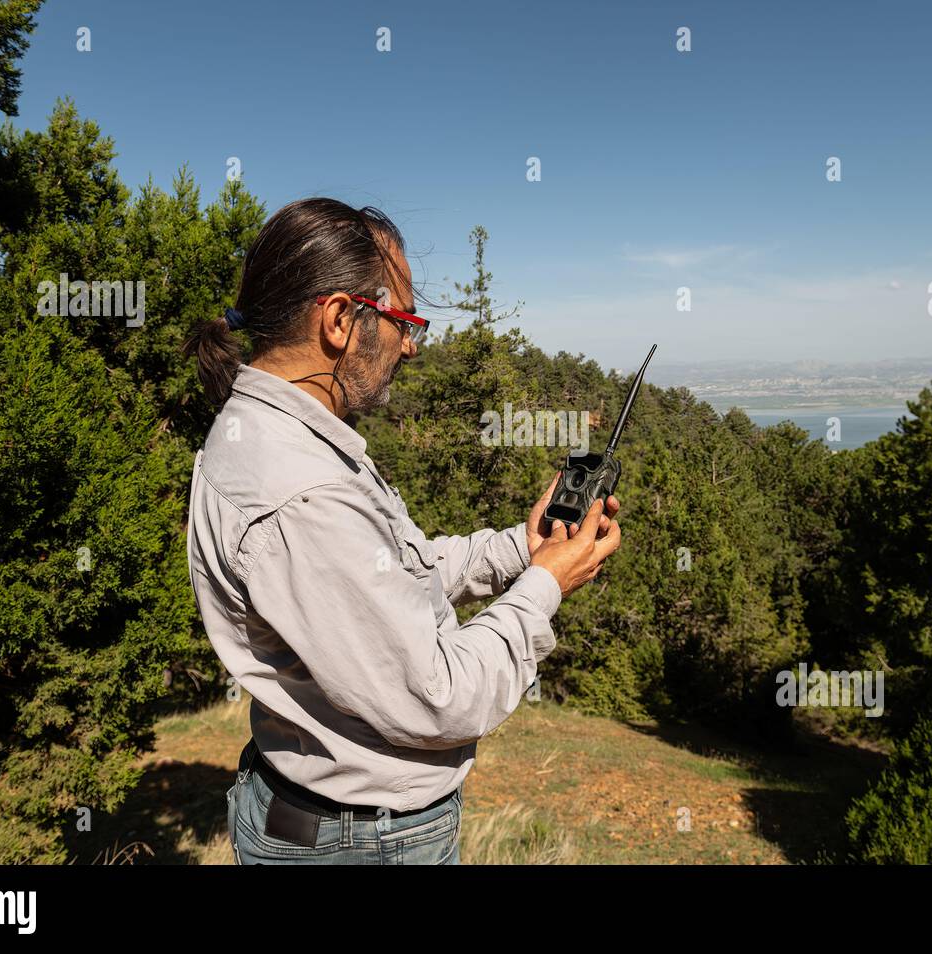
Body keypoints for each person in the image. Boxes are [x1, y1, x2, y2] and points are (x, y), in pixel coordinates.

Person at [182, 198, 621, 864]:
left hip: (327, 821)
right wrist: (545, 587)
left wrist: (519, 550)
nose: (411, 345)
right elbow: (440, 696)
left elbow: (396, 576)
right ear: (337, 319)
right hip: (363, 842)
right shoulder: (304, 492)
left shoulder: (282, 441)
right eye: (404, 320)